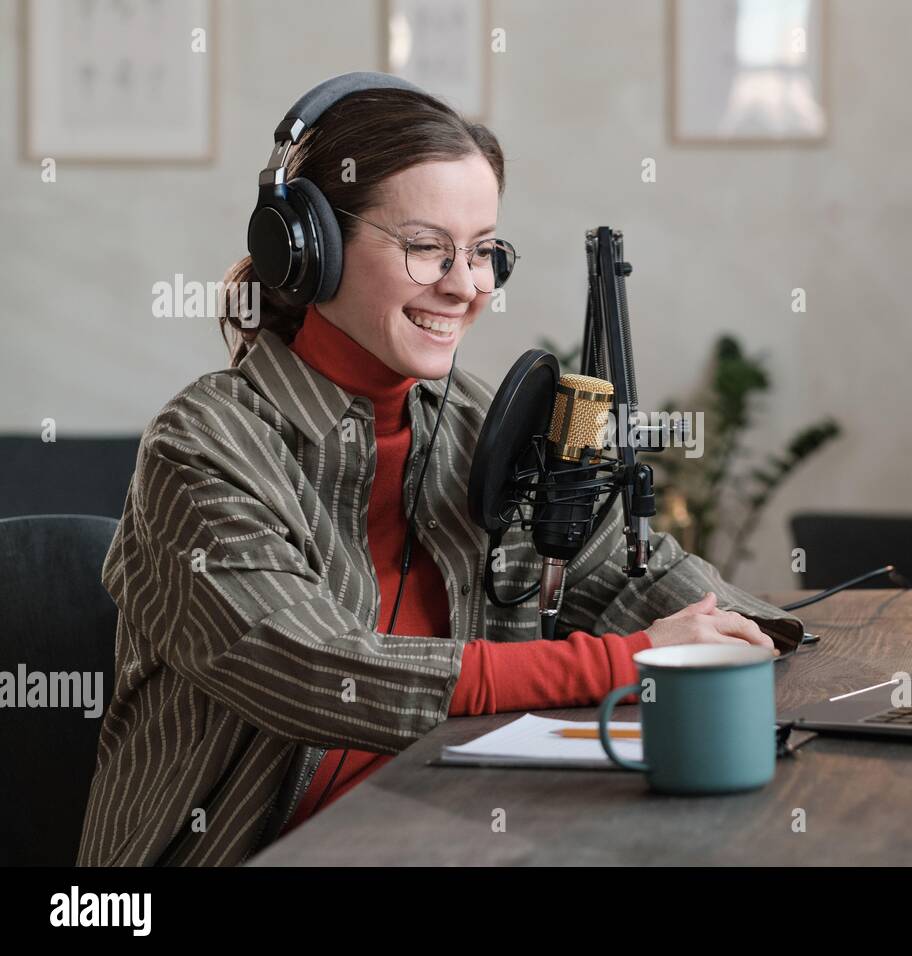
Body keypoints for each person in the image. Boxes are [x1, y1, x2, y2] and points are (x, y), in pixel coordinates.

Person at [77, 76, 801, 866]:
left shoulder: (471, 421)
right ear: (309, 246)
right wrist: (632, 661)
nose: (464, 286)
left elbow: (623, 571)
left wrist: (763, 640)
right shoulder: (201, 446)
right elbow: (316, 669)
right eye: (426, 247)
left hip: (448, 827)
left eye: (484, 251)